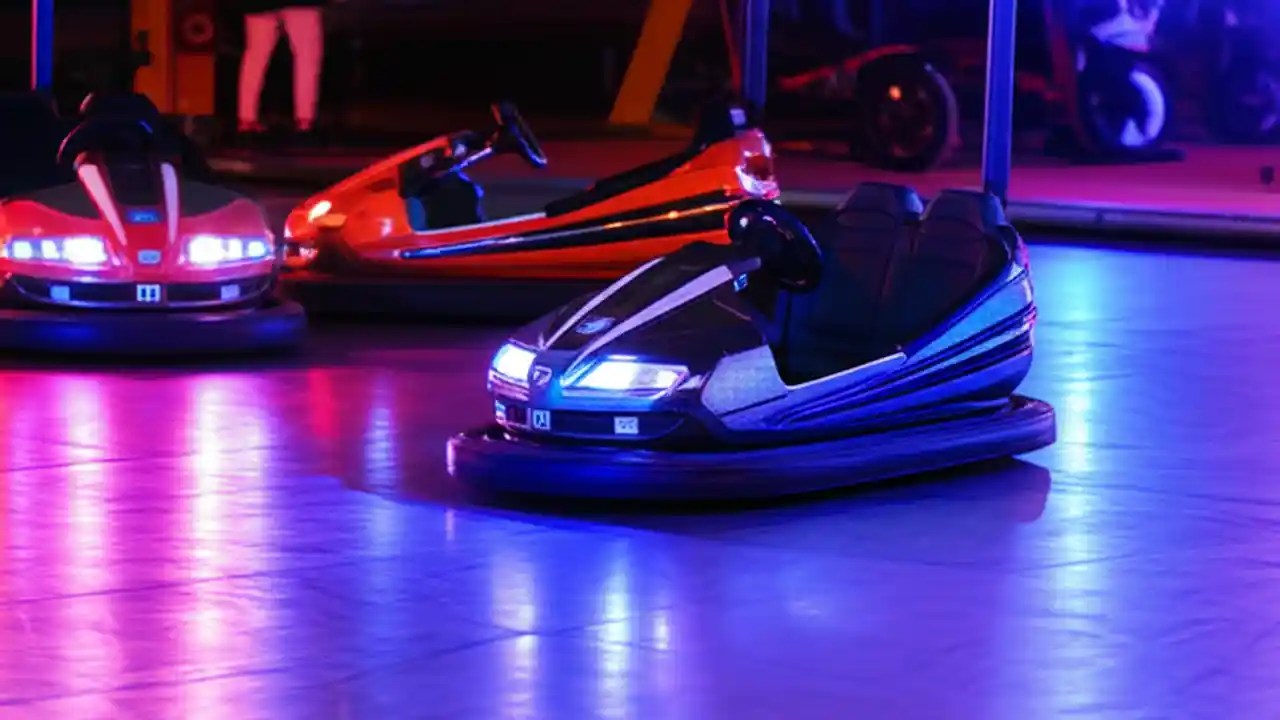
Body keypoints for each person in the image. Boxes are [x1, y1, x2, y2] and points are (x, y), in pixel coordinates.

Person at [235, 0, 325, 141]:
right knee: (306, 57)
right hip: (300, 5)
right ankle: (304, 120)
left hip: (259, 5)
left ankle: (246, 119)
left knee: (255, 58)